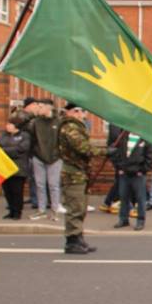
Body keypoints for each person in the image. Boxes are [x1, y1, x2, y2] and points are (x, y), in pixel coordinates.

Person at [58, 103, 103, 254]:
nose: (79, 113)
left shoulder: (79, 127)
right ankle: (72, 241)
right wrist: (104, 151)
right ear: (68, 112)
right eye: (75, 111)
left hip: (80, 173)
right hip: (73, 174)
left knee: (81, 207)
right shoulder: (70, 127)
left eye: (81, 110)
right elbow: (82, 147)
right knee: (75, 208)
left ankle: (78, 237)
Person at [26, 98, 63, 219]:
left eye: (41, 106)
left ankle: (55, 210)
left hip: (55, 158)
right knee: (40, 184)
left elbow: (62, 140)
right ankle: (41, 210)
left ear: (49, 107)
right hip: (38, 157)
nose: (39, 108)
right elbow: (31, 138)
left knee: (53, 185)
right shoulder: (35, 122)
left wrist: (59, 154)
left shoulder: (59, 121)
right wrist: (34, 154)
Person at [112, 129, 152, 231]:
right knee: (123, 197)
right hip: (124, 173)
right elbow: (117, 154)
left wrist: (143, 170)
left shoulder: (146, 140)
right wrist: (119, 168)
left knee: (140, 198)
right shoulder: (124, 137)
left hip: (138, 174)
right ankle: (123, 219)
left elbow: (150, 156)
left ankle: (140, 220)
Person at [0, 116, 31, 220]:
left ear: (16, 126)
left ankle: (17, 212)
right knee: (7, 191)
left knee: (17, 192)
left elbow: (21, 149)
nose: (7, 126)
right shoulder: (3, 136)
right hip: (5, 168)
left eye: (10, 124)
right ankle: (11, 211)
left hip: (18, 169)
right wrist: (7, 151)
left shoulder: (24, 136)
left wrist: (5, 151)